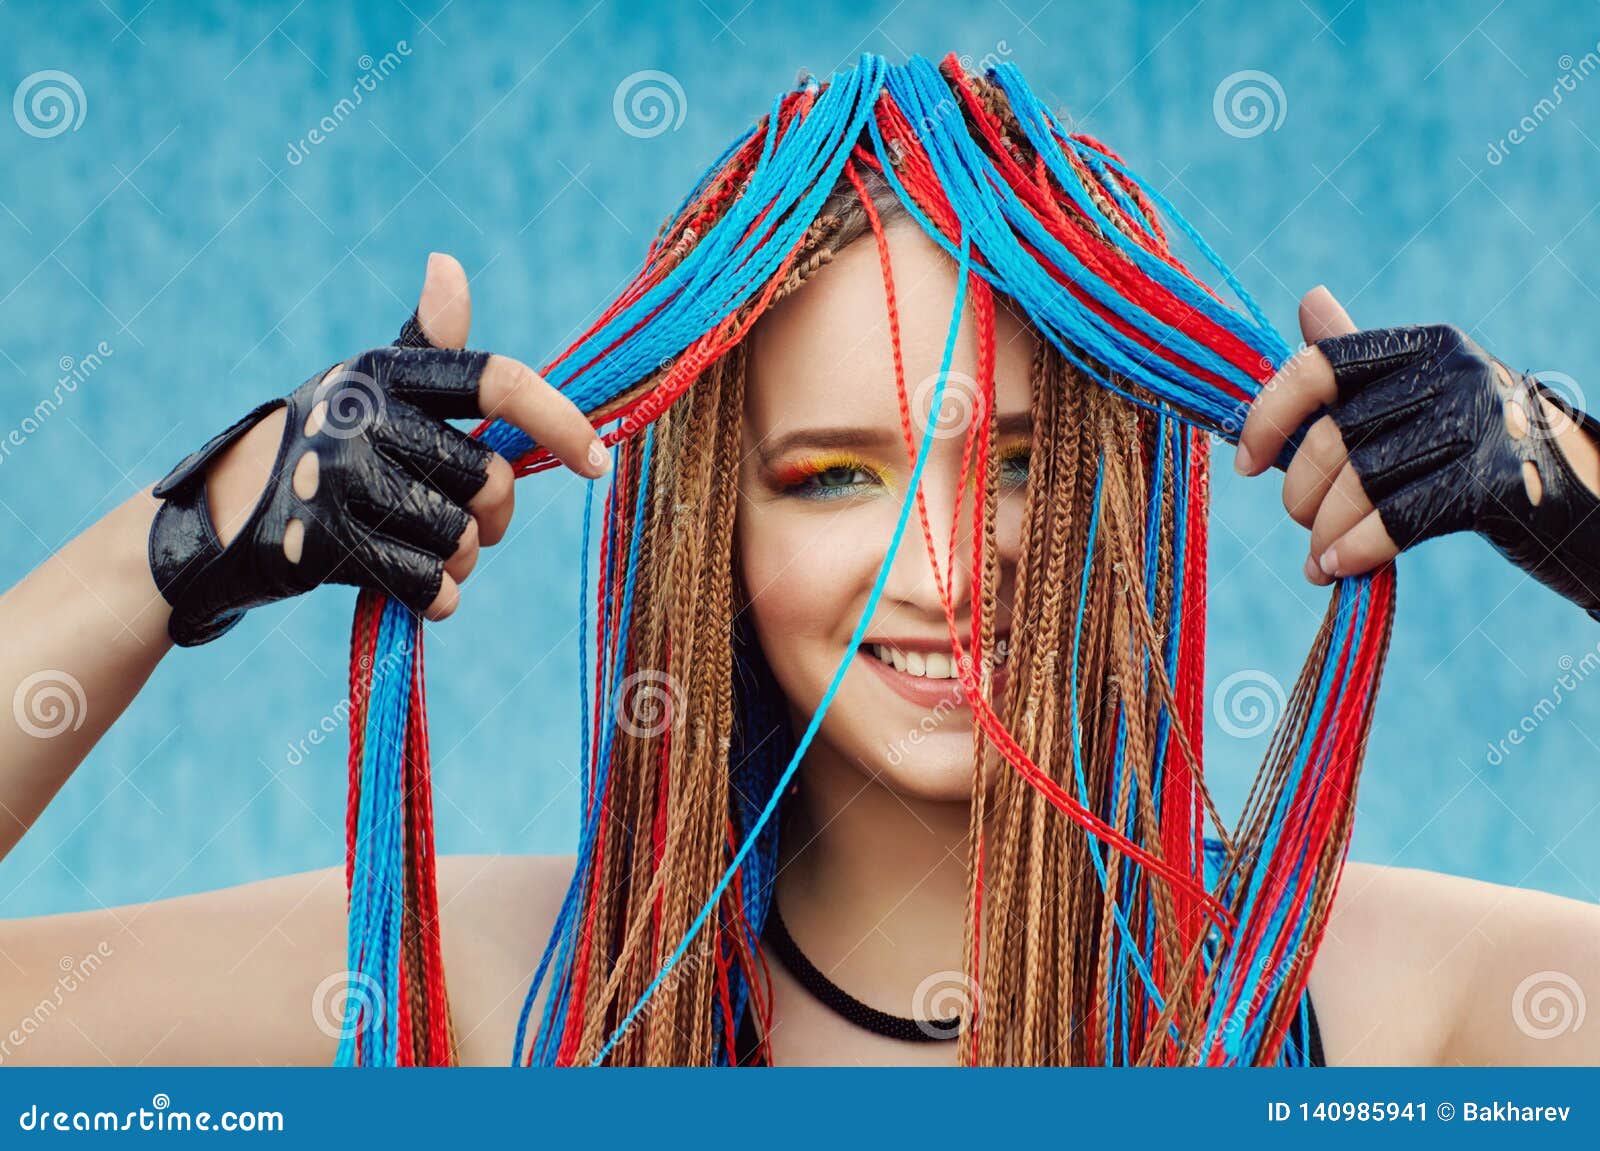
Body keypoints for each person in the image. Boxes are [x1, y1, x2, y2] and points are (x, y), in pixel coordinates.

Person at [3, 58, 1599, 1068]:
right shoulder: (490, 987)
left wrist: (1575, 495)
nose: (943, 567)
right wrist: (191, 535)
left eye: (1021, 463)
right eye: (833, 476)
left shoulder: (1383, 1008)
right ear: (716, 529)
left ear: (1136, 494)